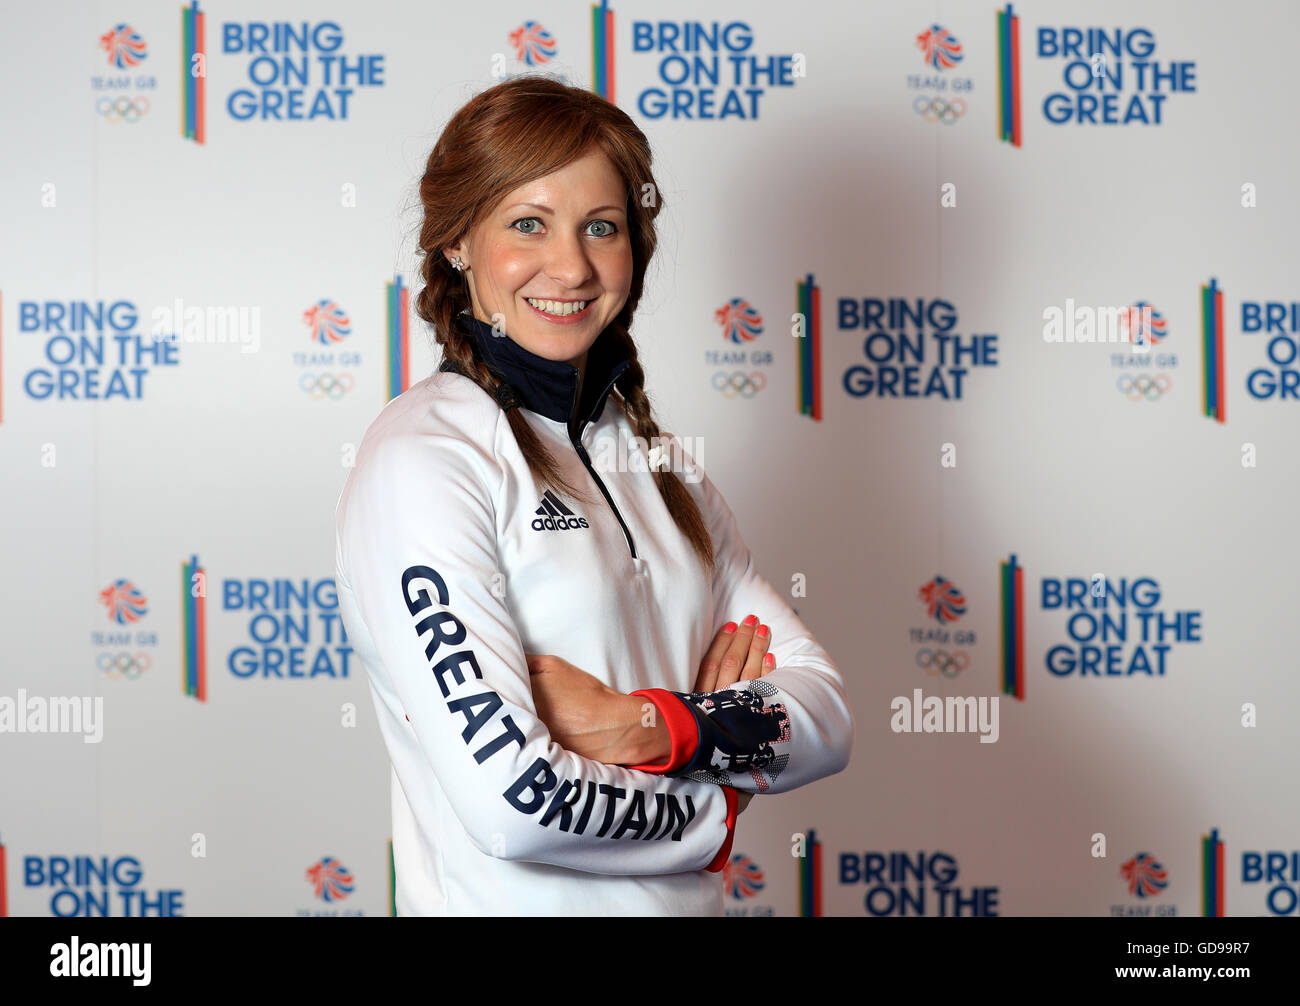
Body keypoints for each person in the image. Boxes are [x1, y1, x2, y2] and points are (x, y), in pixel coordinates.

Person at [334, 74, 853, 916]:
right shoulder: (424, 459)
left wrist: (654, 724)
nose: (571, 266)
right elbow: (516, 803)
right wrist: (719, 803)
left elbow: (826, 718)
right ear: (459, 241)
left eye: (600, 227)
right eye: (528, 224)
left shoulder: (664, 469)